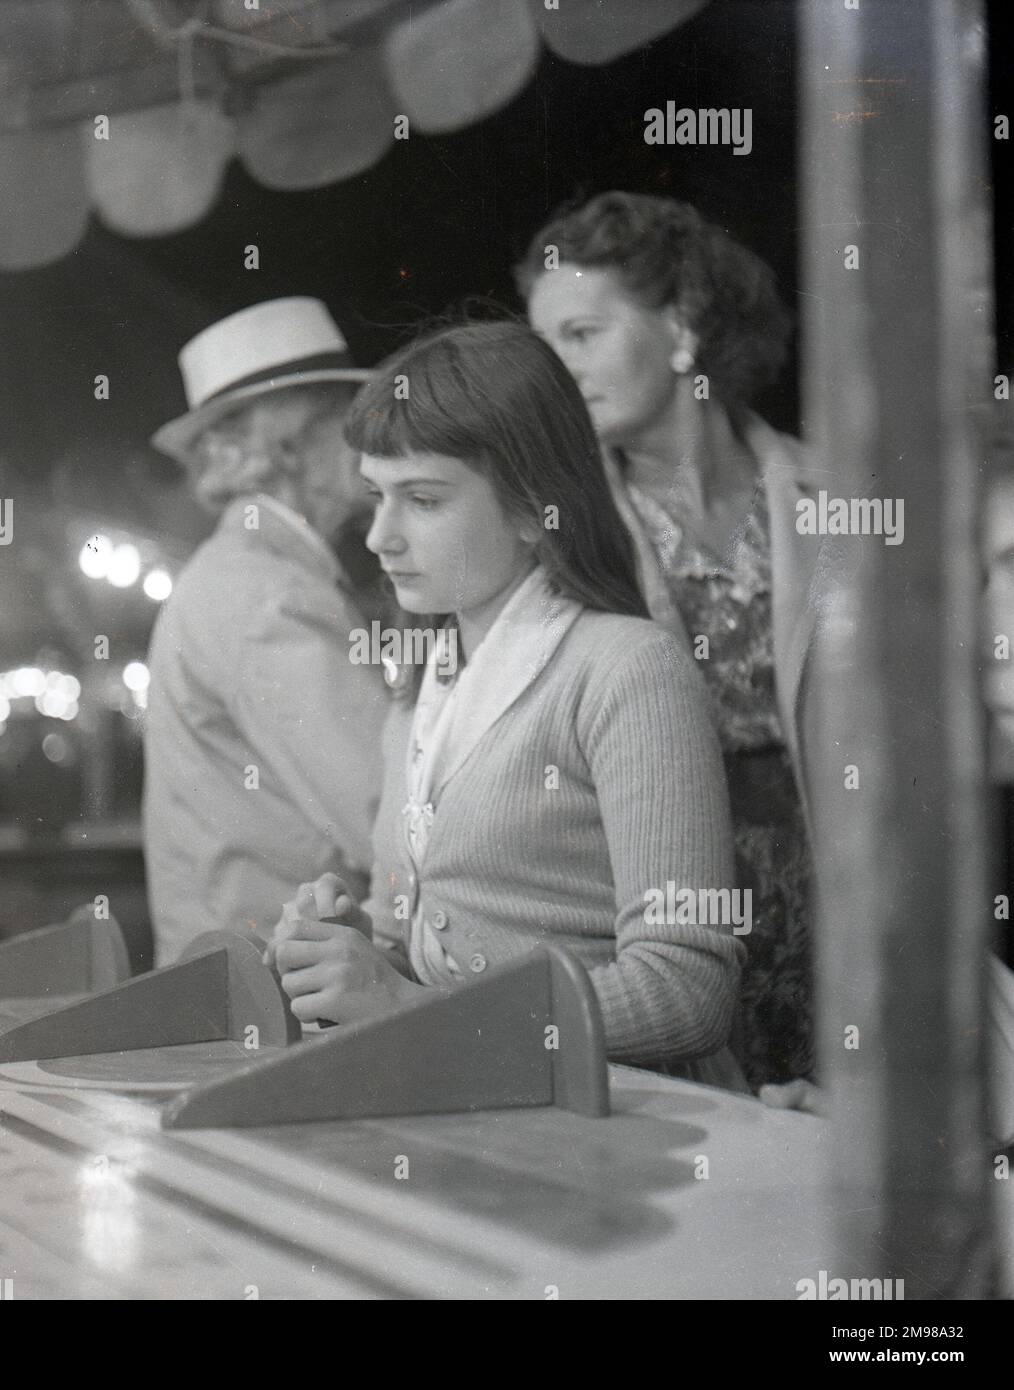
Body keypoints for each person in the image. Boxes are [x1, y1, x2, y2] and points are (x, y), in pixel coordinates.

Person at [267, 320, 746, 1083]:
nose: (378, 539)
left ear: (535, 509)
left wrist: (405, 1007)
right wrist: (355, 946)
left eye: (422, 499)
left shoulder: (627, 670)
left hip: (625, 1129)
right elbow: (414, 946)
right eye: (375, 498)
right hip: (474, 1106)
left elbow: (686, 993)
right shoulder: (420, 683)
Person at [520, 192, 837, 1092]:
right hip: (673, 923)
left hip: (854, 915)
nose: (557, 370)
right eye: (544, 348)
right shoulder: (560, 536)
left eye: (581, 334)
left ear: (684, 324)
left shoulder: (834, 495)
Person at [144, 298, 390, 966]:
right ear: (285, 444)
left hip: (241, 992)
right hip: (274, 1006)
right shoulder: (266, 589)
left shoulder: (246, 572)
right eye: (345, 420)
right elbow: (383, 816)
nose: (368, 443)